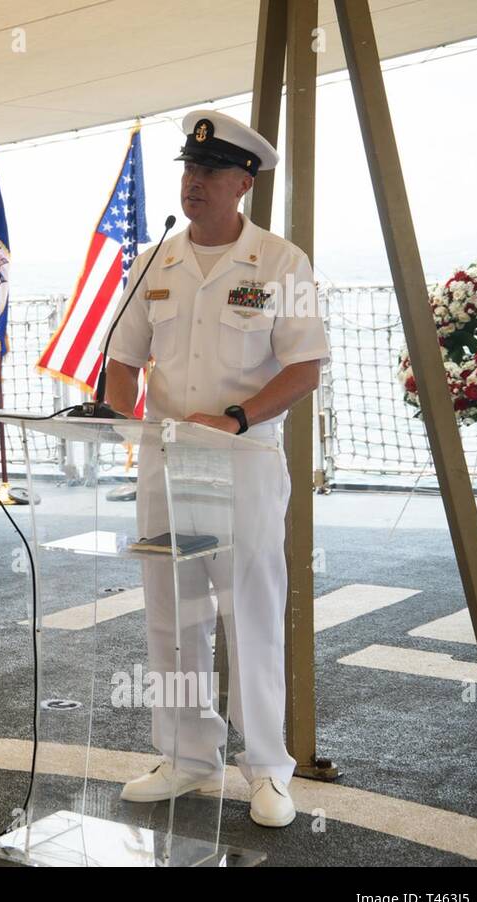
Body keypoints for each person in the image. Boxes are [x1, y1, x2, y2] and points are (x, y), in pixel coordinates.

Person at [103, 110, 331, 828]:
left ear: (243, 182)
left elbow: (305, 367)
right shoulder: (155, 263)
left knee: (252, 614)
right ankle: (186, 755)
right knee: (172, 616)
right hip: (166, 463)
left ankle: (267, 769)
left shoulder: (282, 264)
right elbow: (122, 356)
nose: (193, 182)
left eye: (208, 173)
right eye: (188, 170)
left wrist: (234, 416)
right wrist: (114, 415)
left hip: (243, 464)